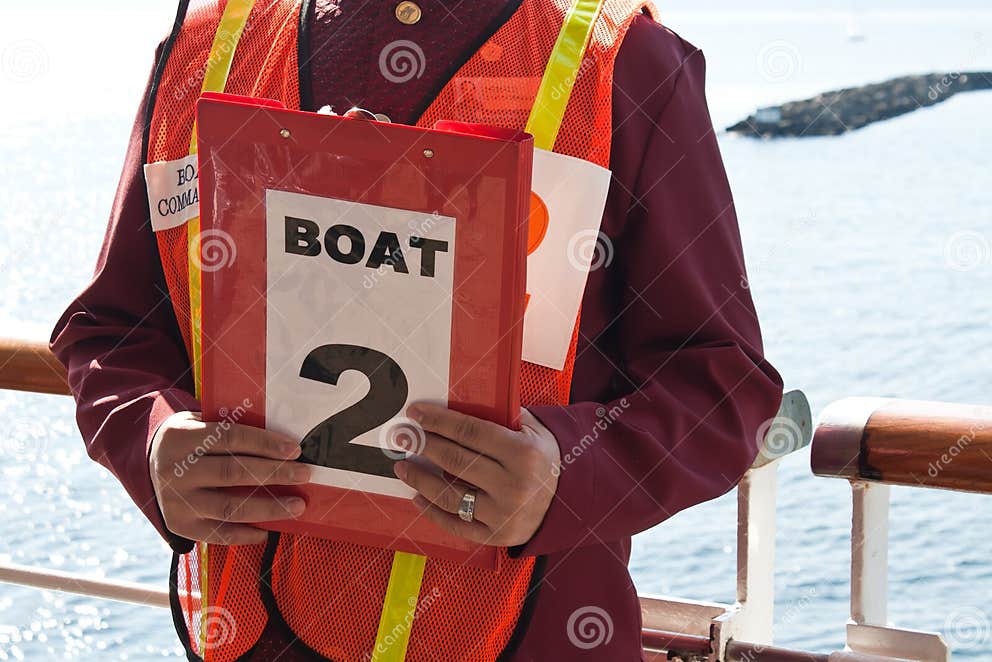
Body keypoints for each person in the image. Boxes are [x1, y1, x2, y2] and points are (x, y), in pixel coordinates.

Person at [51, 1, 783, 659]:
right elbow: (110, 329)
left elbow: (723, 385)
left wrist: (567, 474)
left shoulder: (623, 63)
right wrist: (152, 447)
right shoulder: (203, 46)